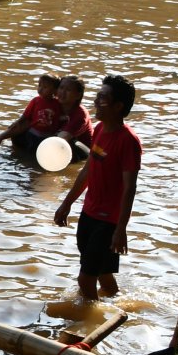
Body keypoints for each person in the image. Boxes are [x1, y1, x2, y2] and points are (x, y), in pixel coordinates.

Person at [53, 75, 141, 300]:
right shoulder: (100, 129)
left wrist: (120, 229)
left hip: (108, 222)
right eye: (97, 96)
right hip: (89, 213)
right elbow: (87, 171)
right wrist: (66, 204)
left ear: (118, 106)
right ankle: (117, 305)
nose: (96, 101)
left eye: (103, 98)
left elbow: (129, 188)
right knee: (102, 273)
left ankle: (91, 316)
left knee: (85, 278)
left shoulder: (128, 141)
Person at [0, 73, 62, 154]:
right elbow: (25, 116)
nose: (40, 89)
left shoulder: (58, 104)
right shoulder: (36, 101)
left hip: (47, 136)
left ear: (55, 90)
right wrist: (17, 122)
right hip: (33, 133)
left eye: (45, 87)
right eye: (39, 86)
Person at [57, 74, 93, 160]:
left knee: (70, 143)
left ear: (78, 95)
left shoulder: (81, 114)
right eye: (61, 88)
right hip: (60, 138)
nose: (62, 92)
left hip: (82, 151)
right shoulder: (53, 105)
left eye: (68, 90)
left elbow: (62, 138)